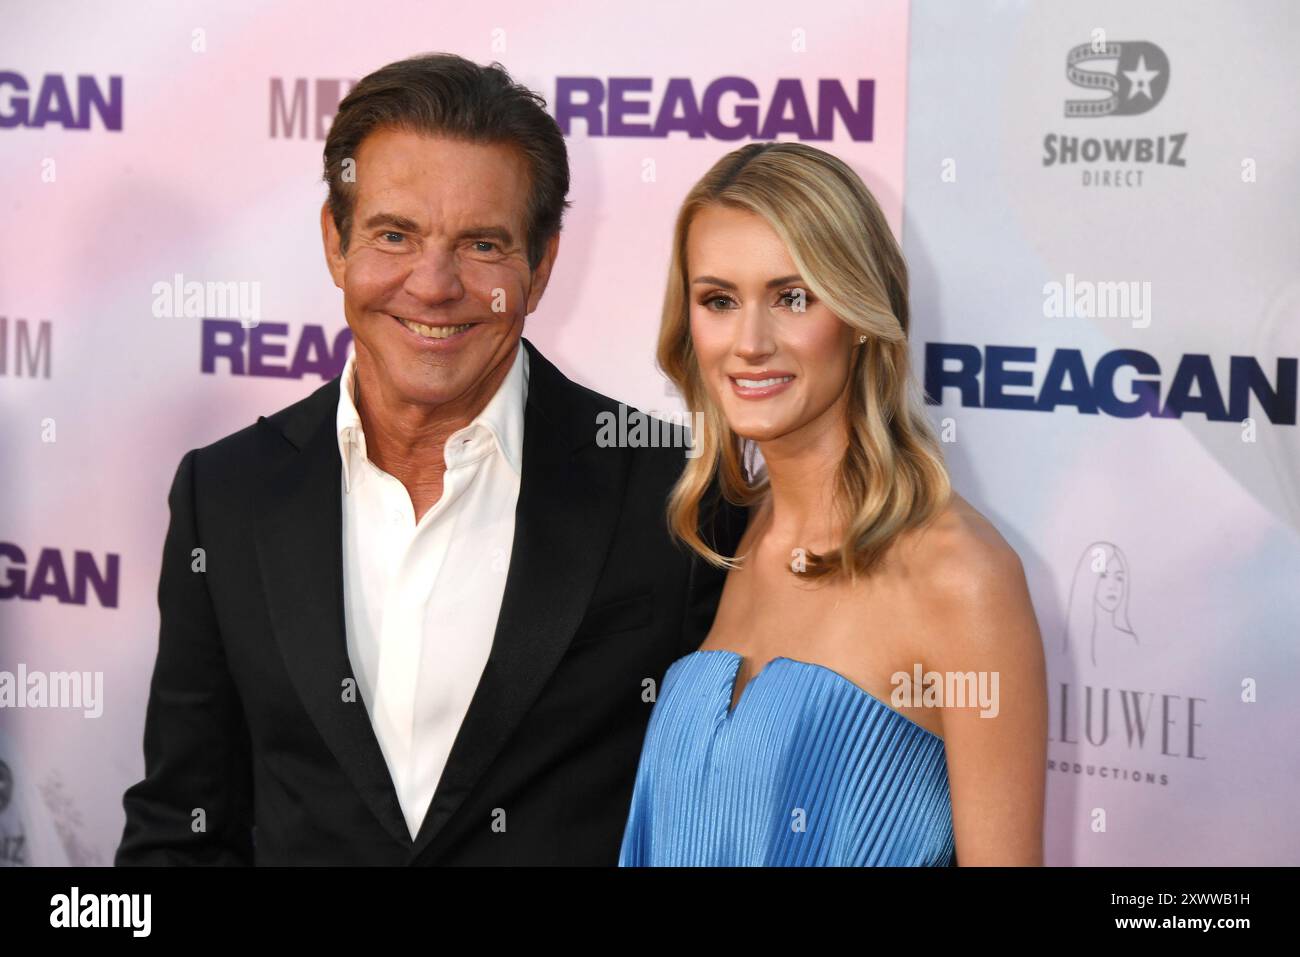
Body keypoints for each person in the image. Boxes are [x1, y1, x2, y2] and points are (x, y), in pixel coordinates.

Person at [115, 52, 739, 866]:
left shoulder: (673, 491)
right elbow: (180, 831)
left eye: (481, 244)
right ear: (336, 244)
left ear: (540, 266)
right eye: (394, 235)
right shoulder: (226, 495)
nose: (434, 284)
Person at [618, 142, 1047, 866]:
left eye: (792, 297)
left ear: (856, 311)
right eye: (718, 300)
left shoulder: (961, 578)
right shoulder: (727, 537)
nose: (750, 343)